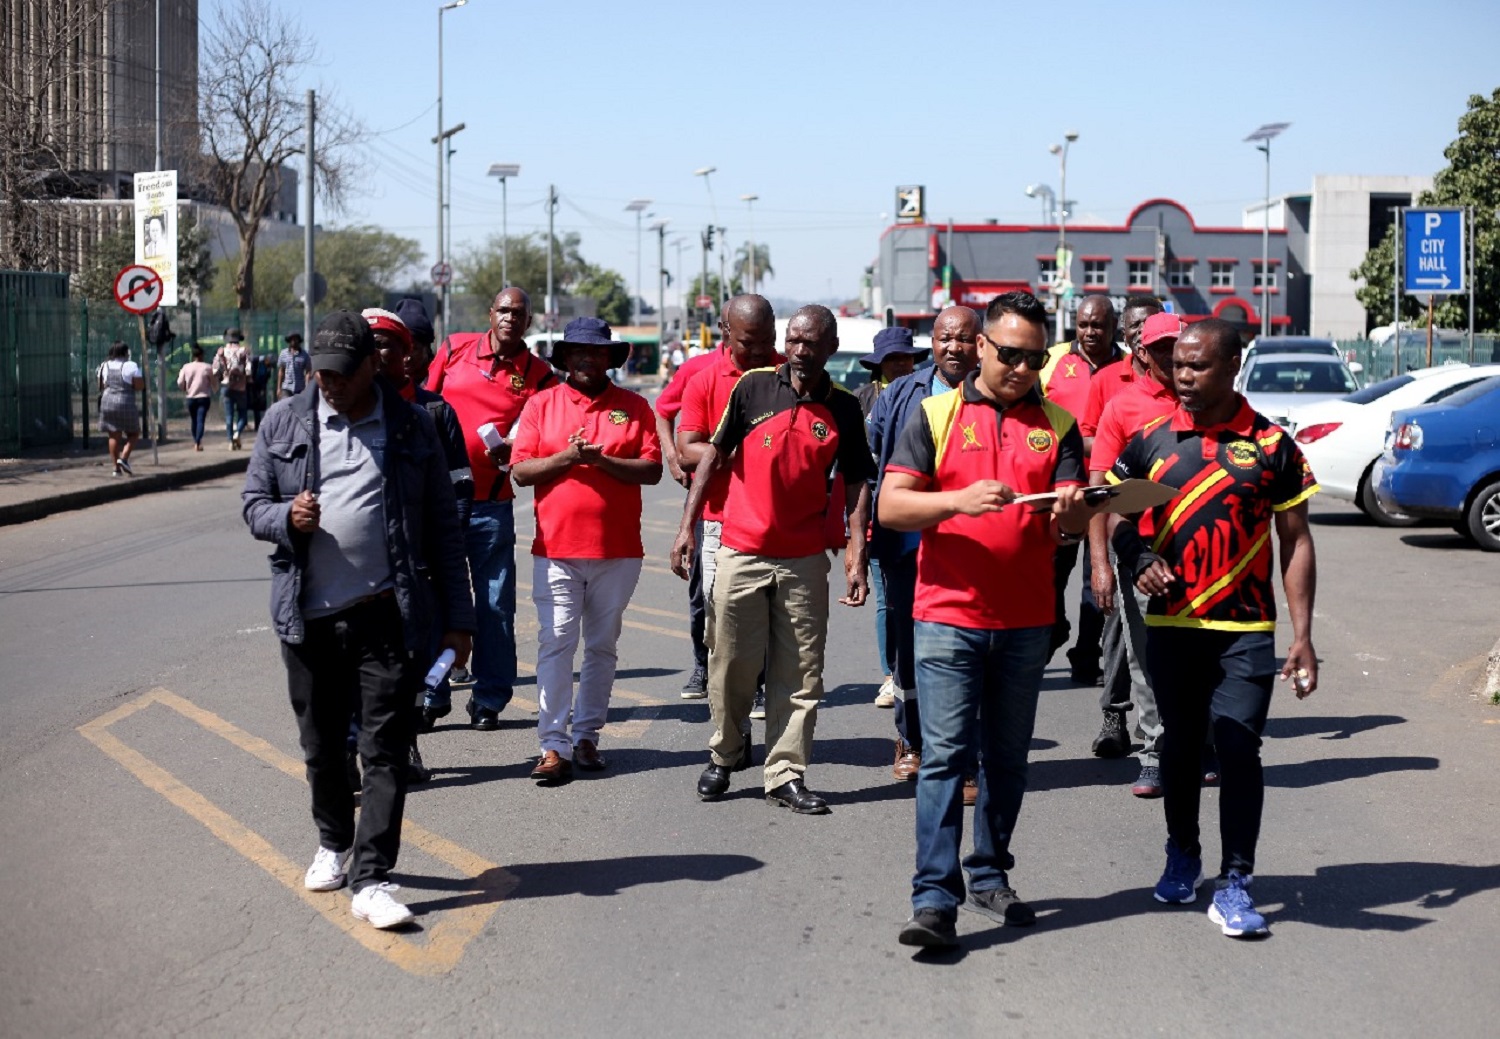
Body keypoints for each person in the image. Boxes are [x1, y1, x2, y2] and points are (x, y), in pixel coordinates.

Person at [878, 291, 1099, 948]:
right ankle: (933, 898)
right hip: (946, 616)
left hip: (1027, 621)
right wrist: (956, 501)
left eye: (1035, 358)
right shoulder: (935, 414)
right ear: (979, 345)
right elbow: (891, 505)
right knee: (945, 756)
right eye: (1011, 354)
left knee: (1007, 760)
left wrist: (1075, 510)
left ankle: (990, 872)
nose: (1023, 368)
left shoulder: (1058, 425)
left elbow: (1076, 526)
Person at [242, 310, 475, 931]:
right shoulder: (283, 420)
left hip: (386, 617)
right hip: (309, 619)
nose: (332, 385)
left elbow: (443, 531)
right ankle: (332, 841)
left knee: (386, 750)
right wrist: (285, 516)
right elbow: (253, 503)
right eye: (322, 375)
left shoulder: (409, 426)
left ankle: (373, 876)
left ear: (373, 364)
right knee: (322, 748)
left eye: (343, 374)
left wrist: (459, 618)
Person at [1106, 317, 1318, 938]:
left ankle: (1235, 881)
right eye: (1178, 366)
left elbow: (1296, 539)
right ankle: (1182, 850)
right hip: (1173, 623)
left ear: (1233, 365)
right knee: (1178, 743)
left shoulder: (1274, 446)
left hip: (1247, 627)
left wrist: (1303, 636)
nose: (1183, 376)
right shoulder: (1150, 440)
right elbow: (1115, 518)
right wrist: (1139, 559)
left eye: (1197, 365)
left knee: (1237, 749)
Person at [670, 305, 874, 815]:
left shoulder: (845, 408)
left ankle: (785, 772)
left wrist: (856, 553)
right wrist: (686, 529)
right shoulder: (753, 388)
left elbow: (856, 485)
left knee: (801, 673)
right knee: (730, 662)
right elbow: (712, 457)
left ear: (831, 347)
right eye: (795, 340)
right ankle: (726, 751)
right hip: (741, 549)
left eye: (812, 342)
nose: (801, 351)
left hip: (803, 559)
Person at [511, 317, 663, 784]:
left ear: (609, 358)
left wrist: (602, 461)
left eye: (596, 351)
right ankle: (552, 744)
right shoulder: (541, 405)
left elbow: (652, 469)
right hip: (555, 549)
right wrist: (567, 458)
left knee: (601, 646)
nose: (586, 358)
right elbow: (521, 471)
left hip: (618, 551)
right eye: (577, 350)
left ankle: (587, 737)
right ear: (563, 357)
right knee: (556, 643)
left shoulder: (634, 406)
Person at [426, 287, 558, 729]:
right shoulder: (454, 348)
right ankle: (433, 690)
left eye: (519, 313)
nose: (510, 318)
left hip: (491, 506)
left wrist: (519, 449)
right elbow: (420, 407)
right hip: (437, 503)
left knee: (495, 605)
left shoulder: (539, 376)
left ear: (529, 321)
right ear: (491, 313)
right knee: (433, 602)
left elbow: (549, 431)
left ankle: (489, 698)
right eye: (504, 310)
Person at [867, 306, 982, 787]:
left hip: (976, 551)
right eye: (944, 338)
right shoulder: (901, 392)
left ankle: (967, 756)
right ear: (931, 343)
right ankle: (911, 741)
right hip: (908, 549)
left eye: (963, 338)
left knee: (971, 654)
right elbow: (875, 457)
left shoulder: (1001, 394)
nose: (953, 347)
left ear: (981, 344)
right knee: (910, 652)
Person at [364, 306, 475, 751]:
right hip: (363, 570)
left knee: (413, 661)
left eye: (386, 344)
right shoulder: (339, 416)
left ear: (407, 353)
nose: (375, 354)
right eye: (367, 345)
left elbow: (459, 489)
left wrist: (443, 546)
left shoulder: (433, 413)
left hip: (420, 569)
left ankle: (405, 743)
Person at [1087, 309, 1181, 798]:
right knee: (1146, 660)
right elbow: (1099, 492)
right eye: (1161, 348)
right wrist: (1101, 564)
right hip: (1138, 551)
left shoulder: (1202, 401)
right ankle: (1153, 754)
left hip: (1197, 552)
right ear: (1142, 352)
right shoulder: (1123, 406)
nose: (1172, 357)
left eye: (1178, 346)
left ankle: (1197, 745)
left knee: (1198, 654)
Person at [675, 296, 782, 719]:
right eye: (748, 342)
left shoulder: (788, 374)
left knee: (769, 609)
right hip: (719, 515)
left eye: (766, 341)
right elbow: (687, 451)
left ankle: (758, 687)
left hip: (778, 517)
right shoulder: (704, 379)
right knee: (715, 607)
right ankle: (712, 675)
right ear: (725, 331)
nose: (759, 351)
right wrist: (744, 455)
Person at [1042, 294, 1128, 684]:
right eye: (1083, 324)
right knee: (1051, 571)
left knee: (1097, 574)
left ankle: (1086, 652)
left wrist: (1084, 442)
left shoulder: (1128, 365)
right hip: (1059, 485)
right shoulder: (1055, 360)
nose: (1090, 332)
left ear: (1114, 328)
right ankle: (1054, 626)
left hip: (1108, 487)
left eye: (1098, 325)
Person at [855, 327, 931, 712]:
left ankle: (922, 671)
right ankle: (891, 673)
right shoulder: (863, 400)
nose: (901, 365)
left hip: (928, 516)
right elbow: (862, 467)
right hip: (883, 517)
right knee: (888, 601)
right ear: (879, 364)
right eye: (893, 359)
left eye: (906, 358)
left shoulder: (929, 394)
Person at [654, 332, 726, 700]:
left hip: (761, 500)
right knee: (702, 587)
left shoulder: (775, 366)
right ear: (724, 328)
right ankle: (702, 665)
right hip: (705, 498)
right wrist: (672, 457)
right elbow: (664, 411)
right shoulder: (697, 369)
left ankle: (759, 681)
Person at [97, 341, 144, 476]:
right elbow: (139, 386)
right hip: (125, 401)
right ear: (125, 352)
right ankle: (124, 458)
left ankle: (115, 468)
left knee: (113, 434)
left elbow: (100, 385)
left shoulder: (104, 366)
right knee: (133, 432)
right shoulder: (131, 366)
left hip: (107, 402)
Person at [213, 328, 250, 449]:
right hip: (241, 388)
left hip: (226, 386)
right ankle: (237, 433)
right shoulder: (244, 351)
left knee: (229, 416)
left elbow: (214, 370)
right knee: (243, 416)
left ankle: (230, 441)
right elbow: (249, 370)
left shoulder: (222, 351)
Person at [177, 344, 214, 452]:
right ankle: (198, 441)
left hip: (191, 397)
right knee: (200, 419)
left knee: (194, 420)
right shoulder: (207, 367)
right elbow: (213, 381)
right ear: (202, 355)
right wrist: (213, 389)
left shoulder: (186, 367)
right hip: (204, 397)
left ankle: (196, 441)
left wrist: (184, 388)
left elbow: (180, 382)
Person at [277, 332, 311, 400]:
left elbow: (308, 372)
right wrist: (278, 388)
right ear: (289, 341)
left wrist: (307, 387)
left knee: (299, 408)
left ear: (299, 341)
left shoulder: (305, 355)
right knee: (286, 405)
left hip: (300, 388)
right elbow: (281, 371)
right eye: (292, 339)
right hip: (286, 387)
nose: (294, 341)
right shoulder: (283, 353)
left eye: (296, 339)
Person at [248, 348, 271, 430]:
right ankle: (260, 425)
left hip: (254, 386)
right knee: (259, 406)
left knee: (256, 407)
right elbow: (268, 376)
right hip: (260, 386)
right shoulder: (263, 362)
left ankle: (258, 425)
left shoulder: (255, 362)